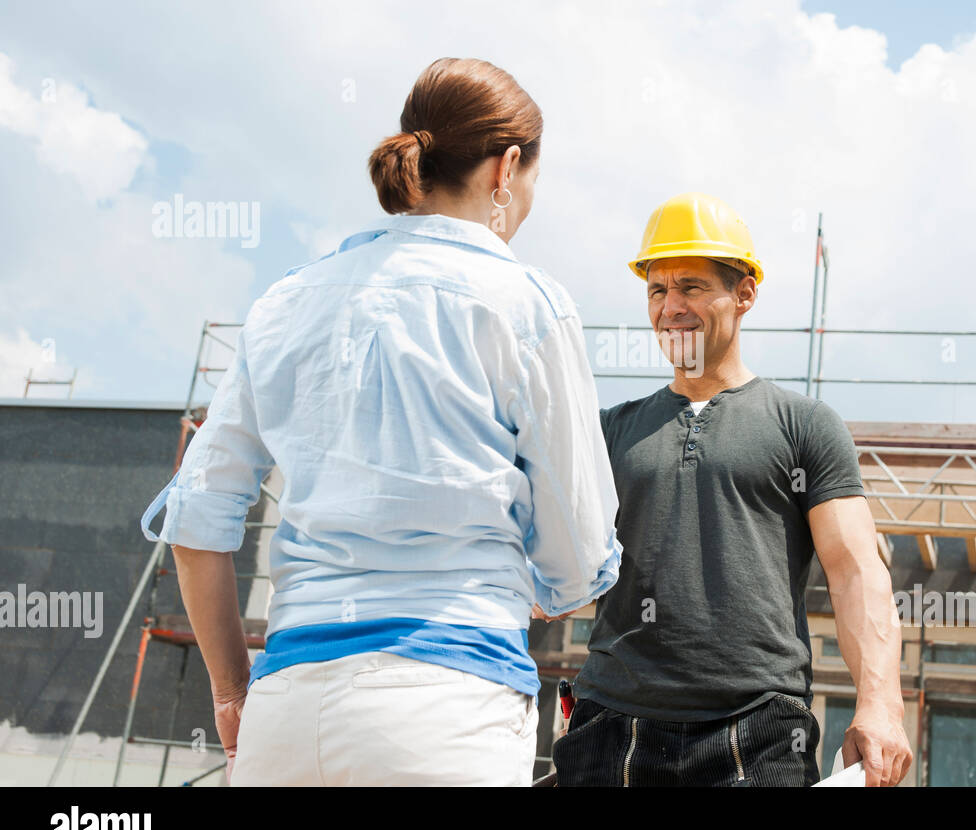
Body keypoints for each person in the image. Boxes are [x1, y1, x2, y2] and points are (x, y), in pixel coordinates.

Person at [140, 57, 621, 786]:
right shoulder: (525, 303)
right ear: (507, 168)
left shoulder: (287, 302)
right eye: (529, 186)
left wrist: (235, 691)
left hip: (287, 710)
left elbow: (196, 525)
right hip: (447, 710)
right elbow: (579, 564)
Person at [552, 192, 911, 786]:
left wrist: (881, 705)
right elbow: (556, 563)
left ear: (744, 293)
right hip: (612, 729)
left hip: (761, 732)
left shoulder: (804, 425)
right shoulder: (608, 431)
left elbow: (856, 572)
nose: (671, 308)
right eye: (657, 291)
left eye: (690, 288)